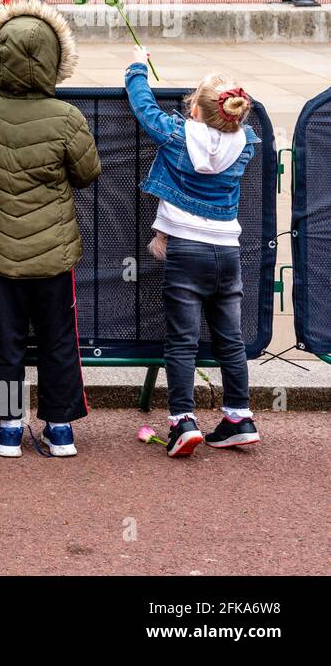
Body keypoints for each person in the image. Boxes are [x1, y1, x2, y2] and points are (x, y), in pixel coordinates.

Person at [0, 0, 100, 458]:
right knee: (59, 338)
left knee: (3, 338)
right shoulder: (67, 118)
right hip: (55, 253)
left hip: (1, 252)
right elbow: (86, 172)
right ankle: (59, 429)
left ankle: (9, 428)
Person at [125, 48, 261, 457]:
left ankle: (183, 420)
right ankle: (239, 416)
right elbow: (233, 135)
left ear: (196, 112)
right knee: (230, 341)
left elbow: (143, 107)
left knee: (182, 342)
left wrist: (136, 66)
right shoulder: (247, 144)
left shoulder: (176, 133)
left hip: (185, 248)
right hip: (227, 249)